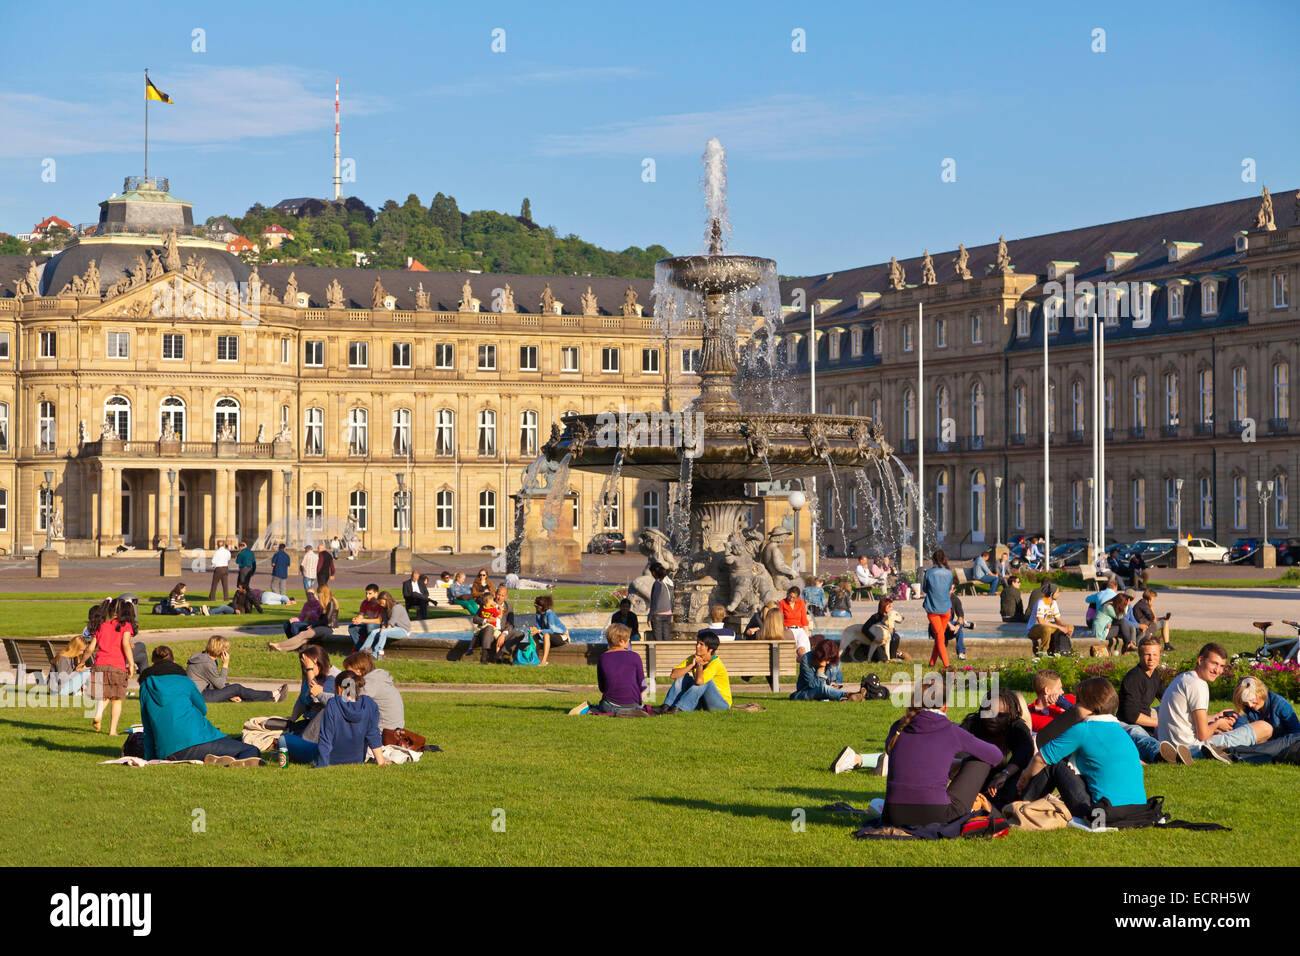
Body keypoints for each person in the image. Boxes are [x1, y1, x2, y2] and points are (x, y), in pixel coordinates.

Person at [878, 677, 1004, 827]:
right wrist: (964, 764)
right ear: (944, 707)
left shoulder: (898, 726)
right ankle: (987, 808)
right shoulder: (951, 731)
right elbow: (996, 755)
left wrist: (954, 764)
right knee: (980, 761)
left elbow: (915, 755)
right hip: (934, 815)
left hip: (892, 814)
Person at [1018, 677, 1147, 819]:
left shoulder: (1083, 729)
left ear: (1090, 704)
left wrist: (1024, 777)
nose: (1074, 707)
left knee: (1054, 762)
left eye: (1078, 702)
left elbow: (1040, 760)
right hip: (1137, 810)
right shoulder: (1120, 731)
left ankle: (1021, 805)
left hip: (1102, 813)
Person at [139, 646, 262, 765]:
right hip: (196, 739)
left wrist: (150, 758)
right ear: (174, 662)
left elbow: (147, 728)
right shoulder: (185, 681)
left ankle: (219, 759)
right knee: (250, 750)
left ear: (153, 663)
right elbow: (203, 709)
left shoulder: (145, 686)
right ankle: (230, 761)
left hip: (167, 751)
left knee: (230, 742)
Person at [1157, 642, 1255, 762]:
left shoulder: (1184, 678)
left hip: (1170, 742)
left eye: (1222, 666)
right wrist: (1218, 724)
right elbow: (1202, 735)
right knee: (1260, 729)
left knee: (1238, 721)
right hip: (1191, 747)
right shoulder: (1198, 685)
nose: (1217, 670)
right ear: (1200, 660)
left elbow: (1186, 718)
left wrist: (1216, 717)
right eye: (1214, 664)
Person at [959, 688, 1035, 808]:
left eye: (1001, 715)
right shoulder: (973, 724)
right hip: (975, 779)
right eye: (988, 712)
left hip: (1009, 783)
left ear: (1010, 716)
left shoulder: (1017, 728)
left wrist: (1005, 774)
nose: (993, 719)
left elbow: (1025, 752)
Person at [277, 646, 339, 763]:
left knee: (288, 741)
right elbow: (302, 698)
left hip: (322, 728)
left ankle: (302, 750)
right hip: (309, 722)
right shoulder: (309, 675)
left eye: (306, 664)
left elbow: (315, 695)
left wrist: (310, 669)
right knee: (276, 731)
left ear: (316, 661)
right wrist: (292, 718)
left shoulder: (333, 677)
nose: (305, 669)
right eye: (303, 665)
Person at [311, 669, 385, 768]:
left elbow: (326, 738)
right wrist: (381, 762)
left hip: (331, 759)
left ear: (340, 688)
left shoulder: (333, 704)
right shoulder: (369, 704)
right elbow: (373, 734)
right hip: (357, 760)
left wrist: (322, 765)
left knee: (291, 741)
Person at [569, 624, 647, 715]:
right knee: (638, 706)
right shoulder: (635, 656)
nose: (629, 641)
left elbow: (602, 687)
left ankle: (589, 708)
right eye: (628, 639)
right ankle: (628, 710)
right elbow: (643, 684)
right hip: (633, 705)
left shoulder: (603, 658)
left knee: (603, 706)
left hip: (610, 706)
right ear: (622, 641)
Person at [85, 598, 136, 735]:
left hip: (99, 665)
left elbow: (91, 648)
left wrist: (82, 662)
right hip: (116, 666)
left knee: (104, 695)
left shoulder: (102, 625)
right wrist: (131, 663)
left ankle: (98, 714)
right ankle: (112, 731)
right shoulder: (126, 626)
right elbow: (125, 644)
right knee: (116, 700)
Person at [186, 636, 285, 703]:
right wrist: (225, 664)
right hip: (200, 696)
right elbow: (220, 685)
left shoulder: (203, 656)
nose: (226, 651)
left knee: (232, 689)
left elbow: (214, 682)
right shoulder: (207, 663)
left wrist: (228, 694)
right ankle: (272, 695)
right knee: (236, 688)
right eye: (225, 648)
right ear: (220, 649)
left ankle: (270, 698)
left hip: (200, 692)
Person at [659, 631, 731, 713]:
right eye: (697, 643)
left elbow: (699, 681)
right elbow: (673, 675)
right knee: (683, 676)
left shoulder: (716, 663)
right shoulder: (694, 658)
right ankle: (667, 706)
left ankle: (681, 709)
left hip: (721, 704)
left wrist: (699, 664)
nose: (697, 646)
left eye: (701, 644)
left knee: (704, 681)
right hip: (703, 701)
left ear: (710, 649)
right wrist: (691, 665)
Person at [343, 651, 405, 732]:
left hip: (384, 733)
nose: (345, 675)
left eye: (347, 671)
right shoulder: (378, 679)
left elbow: (347, 702)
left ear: (358, 671)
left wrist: (323, 694)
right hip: (394, 730)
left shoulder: (370, 684)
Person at [790, 637, 867, 702]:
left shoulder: (833, 660)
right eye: (826, 659)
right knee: (824, 688)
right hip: (806, 692)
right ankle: (850, 695)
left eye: (830, 659)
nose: (828, 662)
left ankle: (846, 698)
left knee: (826, 689)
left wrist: (836, 685)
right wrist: (820, 670)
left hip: (828, 691)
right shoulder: (806, 660)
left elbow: (838, 679)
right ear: (820, 655)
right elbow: (813, 685)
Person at [922, 550, 955, 667]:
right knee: (940, 636)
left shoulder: (929, 573)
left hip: (932, 608)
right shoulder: (949, 573)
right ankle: (932, 663)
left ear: (933, 560)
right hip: (946, 608)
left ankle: (947, 665)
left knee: (939, 636)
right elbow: (949, 588)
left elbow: (925, 589)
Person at [1026, 581, 1072, 656]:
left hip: (1048, 627)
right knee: (1047, 629)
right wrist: (1059, 627)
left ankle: (1062, 650)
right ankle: (1043, 652)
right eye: (1057, 593)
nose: (1058, 594)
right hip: (1033, 629)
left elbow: (1058, 619)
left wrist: (1065, 627)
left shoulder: (1054, 603)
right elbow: (1041, 621)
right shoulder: (1041, 602)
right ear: (1051, 594)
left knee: (1070, 627)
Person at [362, 591, 410, 658]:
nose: (381, 605)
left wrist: (382, 631)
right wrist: (382, 628)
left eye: (382, 603)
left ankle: (377, 653)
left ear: (387, 600)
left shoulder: (397, 607)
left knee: (384, 632)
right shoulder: (384, 608)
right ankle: (362, 652)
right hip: (391, 629)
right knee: (373, 632)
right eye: (380, 603)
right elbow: (384, 622)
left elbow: (391, 623)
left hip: (402, 630)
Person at [857, 597, 902, 663]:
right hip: (875, 643)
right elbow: (864, 629)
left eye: (891, 606)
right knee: (883, 659)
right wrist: (874, 638)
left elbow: (890, 634)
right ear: (883, 607)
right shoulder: (875, 617)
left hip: (885, 642)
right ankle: (876, 657)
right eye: (889, 606)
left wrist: (892, 631)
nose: (891, 608)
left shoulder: (891, 617)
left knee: (896, 637)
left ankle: (892, 657)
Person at [534, 593, 568, 666]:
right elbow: (538, 627)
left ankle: (544, 662)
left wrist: (539, 631)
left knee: (546, 635)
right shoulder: (538, 613)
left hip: (562, 637)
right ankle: (535, 659)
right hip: (551, 636)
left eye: (535, 605)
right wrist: (534, 630)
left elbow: (551, 630)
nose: (534, 606)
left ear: (540, 606)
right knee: (534, 635)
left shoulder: (549, 613)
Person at [348, 584, 383, 649]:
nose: (367, 596)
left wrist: (362, 620)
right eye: (366, 593)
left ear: (376, 593)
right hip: (370, 626)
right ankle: (361, 649)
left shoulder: (381, 603)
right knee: (352, 627)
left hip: (381, 627)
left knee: (370, 625)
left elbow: (379, 621)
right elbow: (361, 616)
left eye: (370, 593)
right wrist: (357, 620)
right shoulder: (365, 603)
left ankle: (372, 648)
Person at [780, 585, 812, 657]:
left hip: (799, 629)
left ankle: (804, 660)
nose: (791, 599)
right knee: (793, 651)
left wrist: (806, 632)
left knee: (802, 649)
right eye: (789, 596)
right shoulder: (782, 603)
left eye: (793, 598)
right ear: (787, 594)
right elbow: (779, 619)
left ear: (797, 598)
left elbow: (804, 619)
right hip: (788, 630)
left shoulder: (801, 603)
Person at [648, 562, 673, 641]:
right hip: (668, 614)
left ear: (654, 572)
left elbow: (654, 602)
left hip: (658, 615)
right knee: (666, 639)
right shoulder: (670, 582)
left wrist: (649, 617)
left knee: (658, 640)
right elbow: (672, 599)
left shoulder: (658, 583)